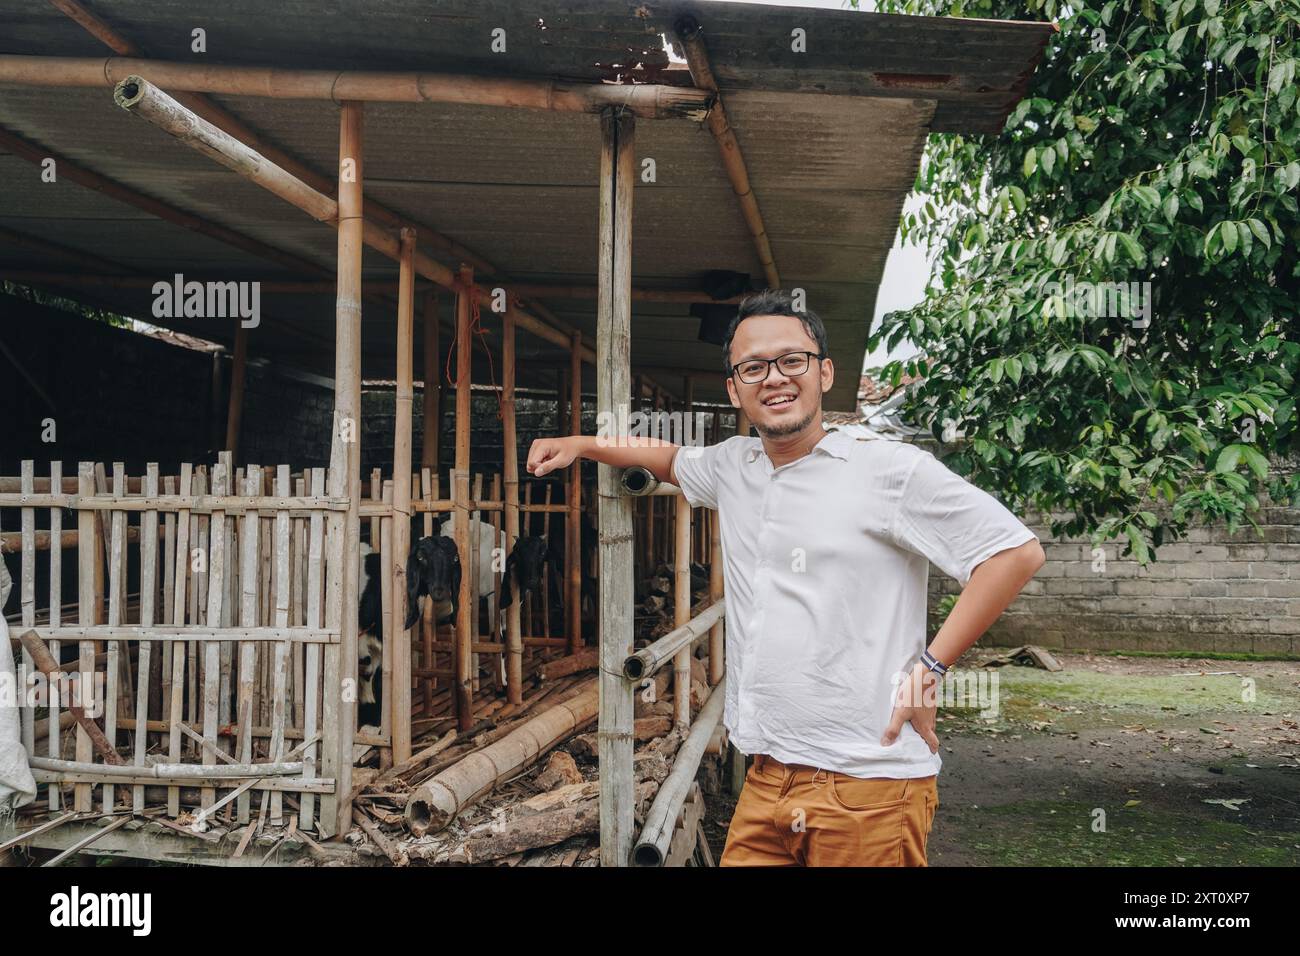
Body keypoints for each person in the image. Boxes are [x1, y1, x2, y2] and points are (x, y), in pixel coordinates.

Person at [526, 289, 1044, 866]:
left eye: (791, 360)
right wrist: (581, 443)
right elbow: (667, 458)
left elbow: (1013, 553)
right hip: (766, 778)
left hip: (868, 785)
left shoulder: (888, 469)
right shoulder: (735, 466)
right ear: (734, 387)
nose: (773, 378)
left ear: (824, 372)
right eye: (753, 367)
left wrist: (929, 670)